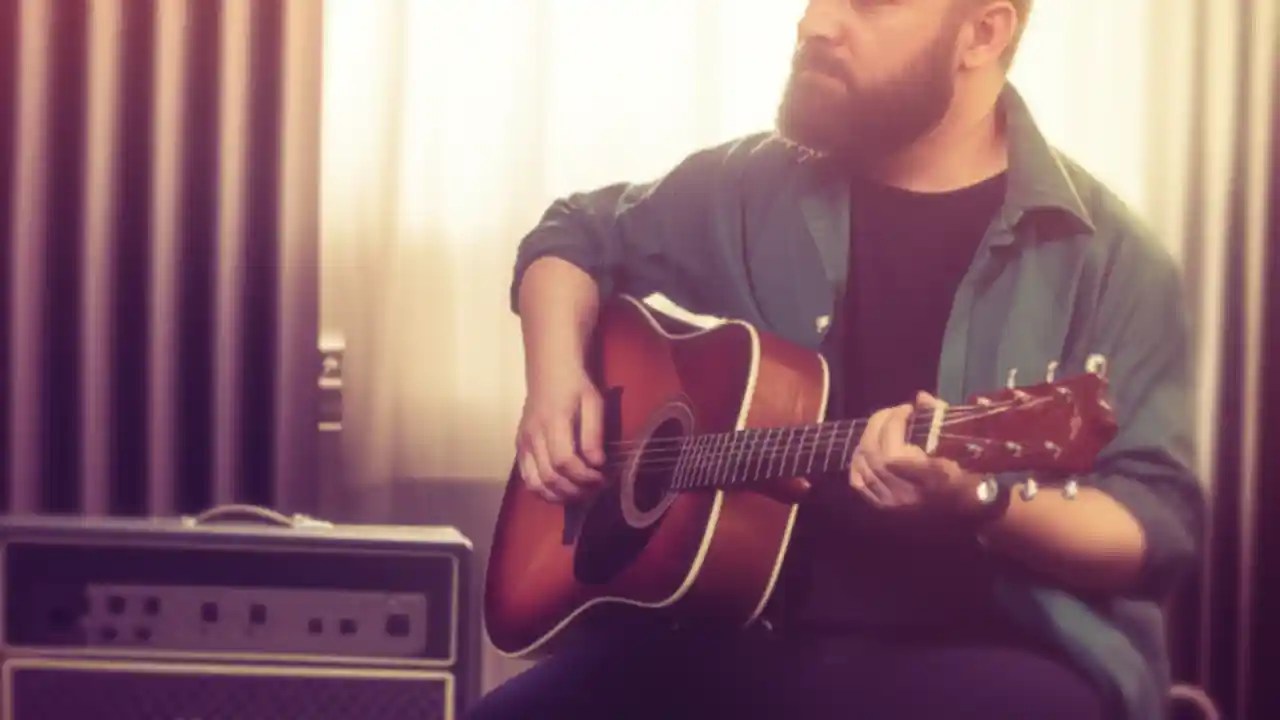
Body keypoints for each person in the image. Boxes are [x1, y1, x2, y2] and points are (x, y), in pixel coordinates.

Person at [471, 0, 1204, 718]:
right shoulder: (755, 184)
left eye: (870, 3)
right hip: (730, 634)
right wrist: (556, 380)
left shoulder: (1111, 259)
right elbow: (571, 236)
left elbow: (1150, 527)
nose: (815, 20)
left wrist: (985, 503)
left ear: (982, 32)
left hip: (1000, 648)